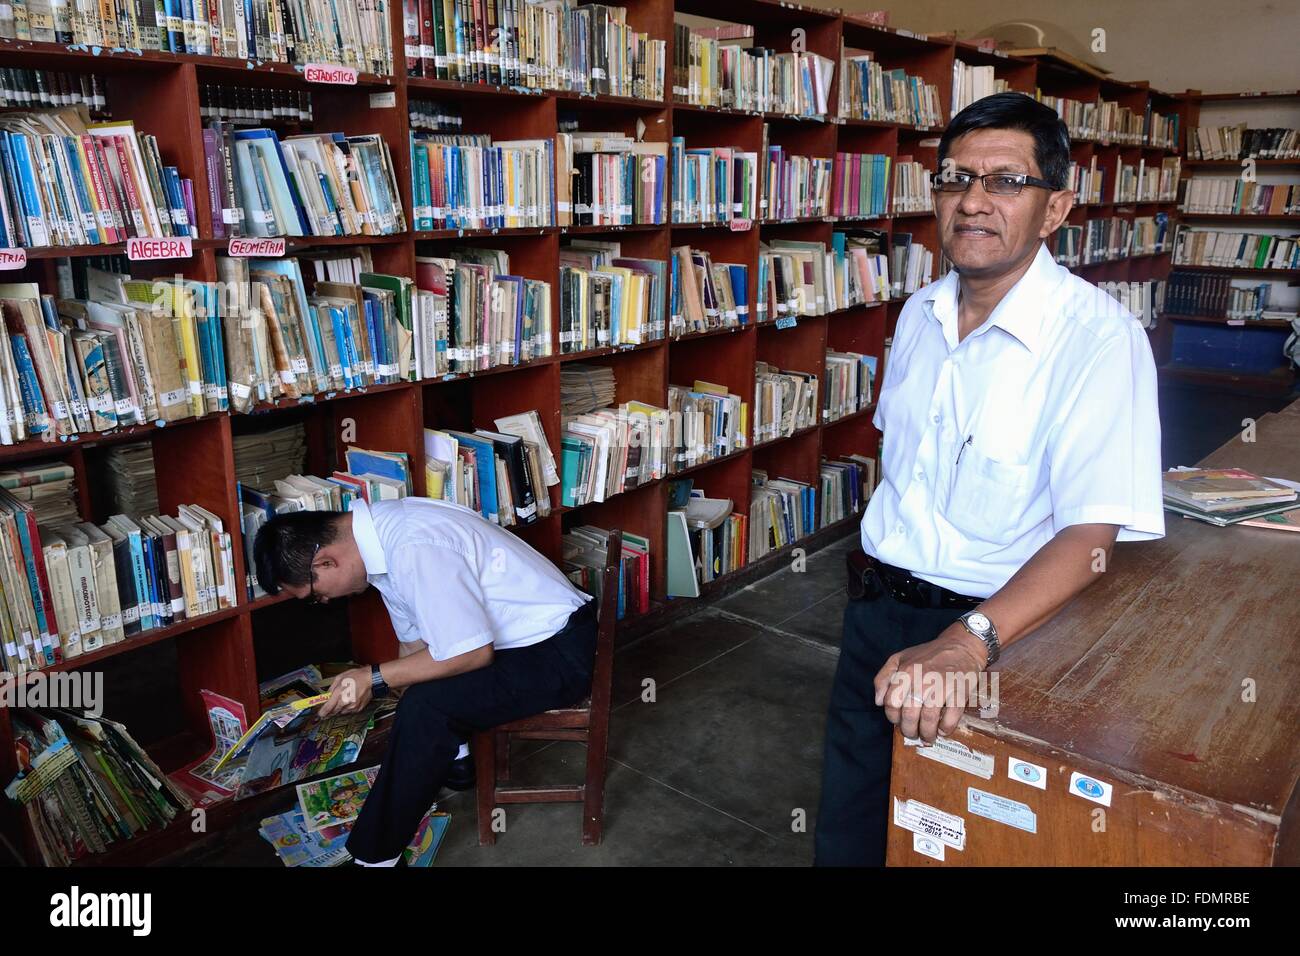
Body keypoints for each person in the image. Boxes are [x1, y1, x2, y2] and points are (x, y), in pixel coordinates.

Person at [814, 91, 1165, 866]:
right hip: (877, 615)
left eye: (1006, 182)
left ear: (1055, 208)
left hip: (999, 636)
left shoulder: (1099, 342)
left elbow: (1091, 537)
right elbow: (902, 469)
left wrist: (969, 644)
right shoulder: (918, 315)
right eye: (954, 179)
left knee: (963, 839)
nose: (973, 202)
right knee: (852, 823)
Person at [253, 495, 596, 866]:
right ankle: (456, 759)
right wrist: (385, 686)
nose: (323, 602)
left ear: (326, 561)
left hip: (561, 650)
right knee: (418, 697)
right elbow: (416, 645)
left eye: (315, 594)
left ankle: (376, 857)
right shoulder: (382, 542)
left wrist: (375, 677)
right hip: (524, 640)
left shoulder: (413, 546)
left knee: (426, 707)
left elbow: (472, 654)